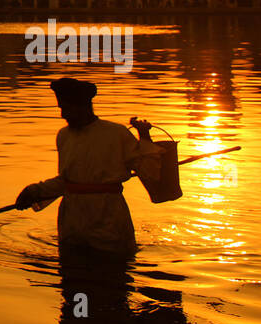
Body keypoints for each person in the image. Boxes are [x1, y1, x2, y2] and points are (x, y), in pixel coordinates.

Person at [15, 78, 162, 253]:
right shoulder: (63, 136)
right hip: (72, 224)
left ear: (84, 107)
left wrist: (144, 137)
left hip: (108, 222)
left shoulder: (116, 134)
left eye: (67, 109)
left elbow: (150, 172)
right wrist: (34, 191)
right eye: (61, 108)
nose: (63, 114)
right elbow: (66, 181)